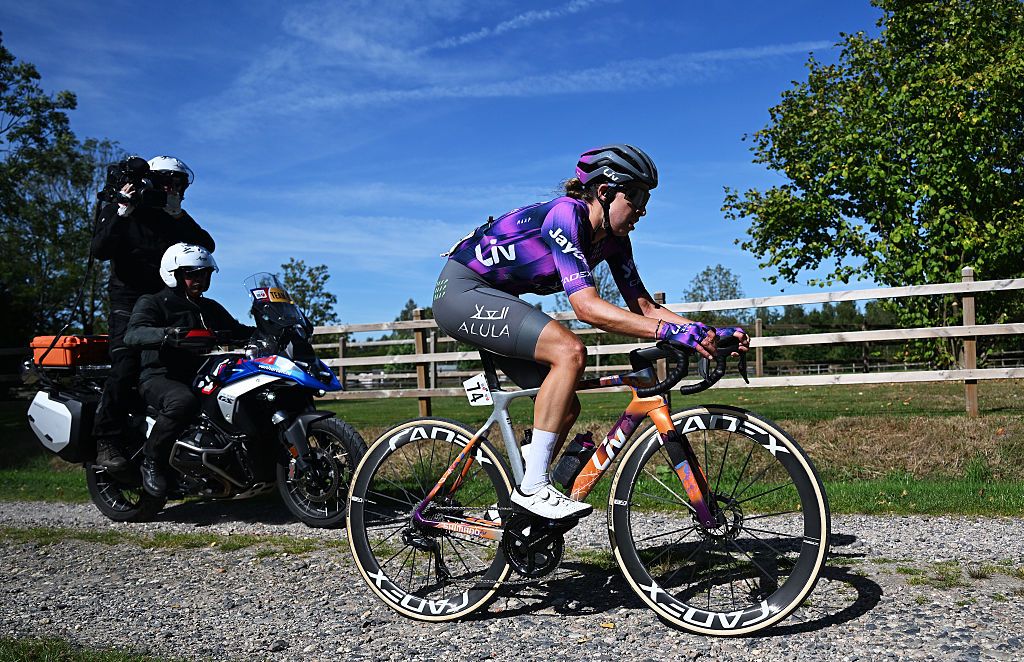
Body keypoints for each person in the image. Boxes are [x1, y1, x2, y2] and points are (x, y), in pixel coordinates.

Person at [432, 144, 750, 520]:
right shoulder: (566, 215)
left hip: (498, 297)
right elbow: (586, 308)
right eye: (636, 198)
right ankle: (533, 488)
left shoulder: (615, 242)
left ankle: (518, 507)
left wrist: (703, 333)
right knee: (569, 352)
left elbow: (644, 307)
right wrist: (669, 332)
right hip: (460, 292)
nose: (643, 210)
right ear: (604, 192)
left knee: (567, 406)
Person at [90, 156, 215, 471]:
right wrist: (122, 209)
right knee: (126, 362)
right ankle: (107, 440)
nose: (175, 190)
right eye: (169, 183)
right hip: (128, 298)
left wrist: (179, 216)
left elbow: (206, 246)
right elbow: (100, 249)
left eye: (179, 185)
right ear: (151, 180)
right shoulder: (122, 207)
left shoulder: (173, 218)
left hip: (166, 300)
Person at [124, 243, 254, 497]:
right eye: (192, 273)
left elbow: (238, 331)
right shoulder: (154, 302)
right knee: (182, 402)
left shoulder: (210, 307)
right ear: (173, 273)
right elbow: (133, 333)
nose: (200, 279)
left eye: (204, 273)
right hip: (160, 376)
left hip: (199, 372)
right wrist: (167, 334)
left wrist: (273, 330)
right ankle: (152, 461)